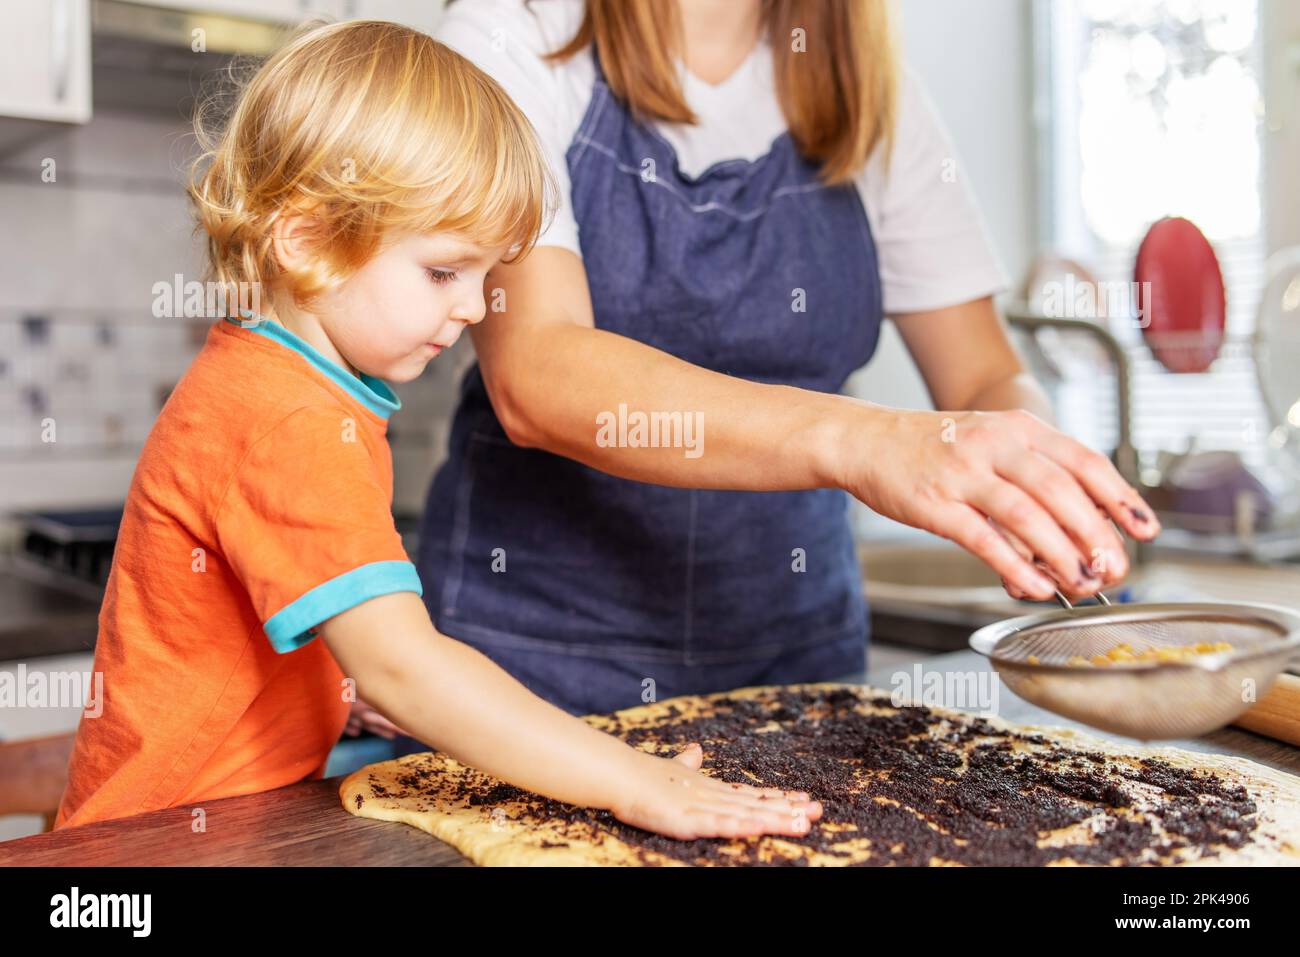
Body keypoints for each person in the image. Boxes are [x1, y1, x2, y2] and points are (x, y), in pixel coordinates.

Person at [55, 20, 822, 842]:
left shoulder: (277, 382)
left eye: (487, 275)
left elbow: (263, 635)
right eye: (443, 271)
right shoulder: (285, 417)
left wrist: (325, 689)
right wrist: (631, 781)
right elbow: (405, 666)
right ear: (308, 236)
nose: (472, 305)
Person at [409, 0, 1160, 722]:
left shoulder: (870, 89)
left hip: (804, 676)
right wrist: (864, 441)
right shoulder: (518, 34)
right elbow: (538, 373)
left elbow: (983, 376)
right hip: (528, 680)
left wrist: (1038, 474)